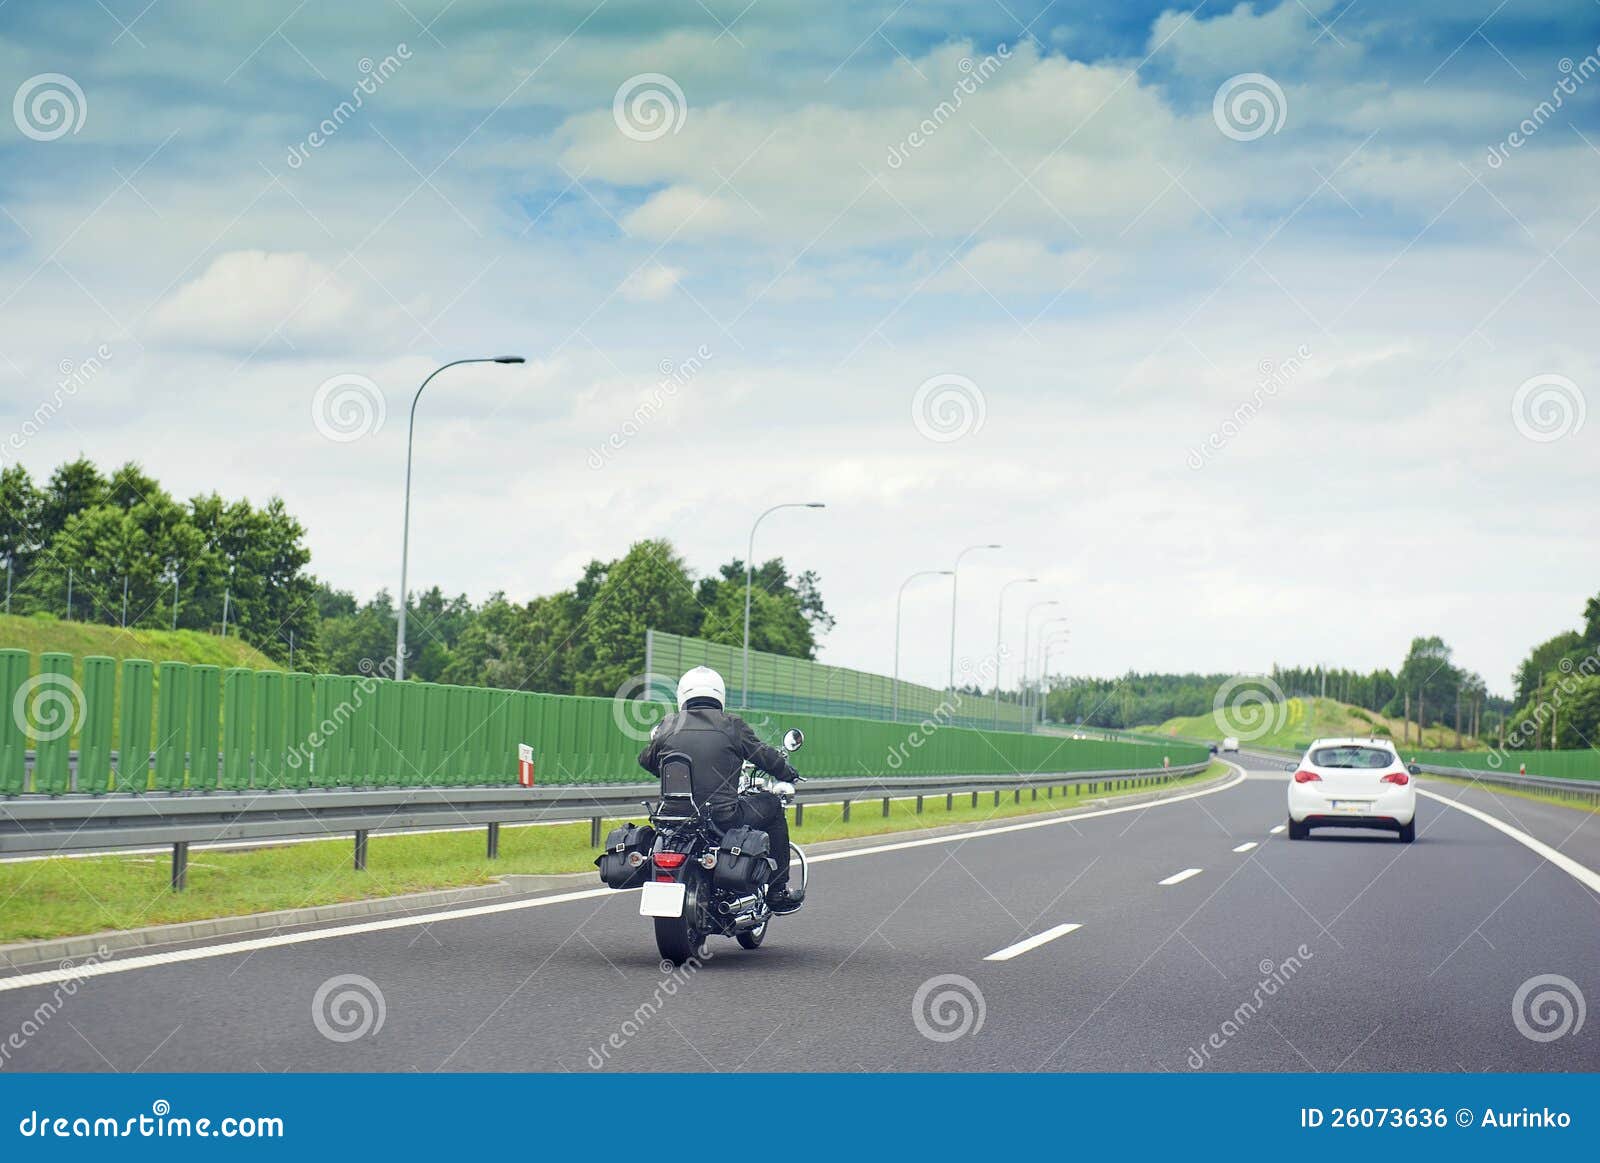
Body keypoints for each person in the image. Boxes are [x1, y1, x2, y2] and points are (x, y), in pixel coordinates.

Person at [637, 665, 805, 913]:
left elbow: (646, 759)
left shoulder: (668, 724)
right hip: (722, 816)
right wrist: (787, 773)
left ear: (682, 695)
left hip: (672, 817)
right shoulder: (731, 725)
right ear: (719, 695)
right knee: (772, 805)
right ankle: (777, 891)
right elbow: (763, 756)